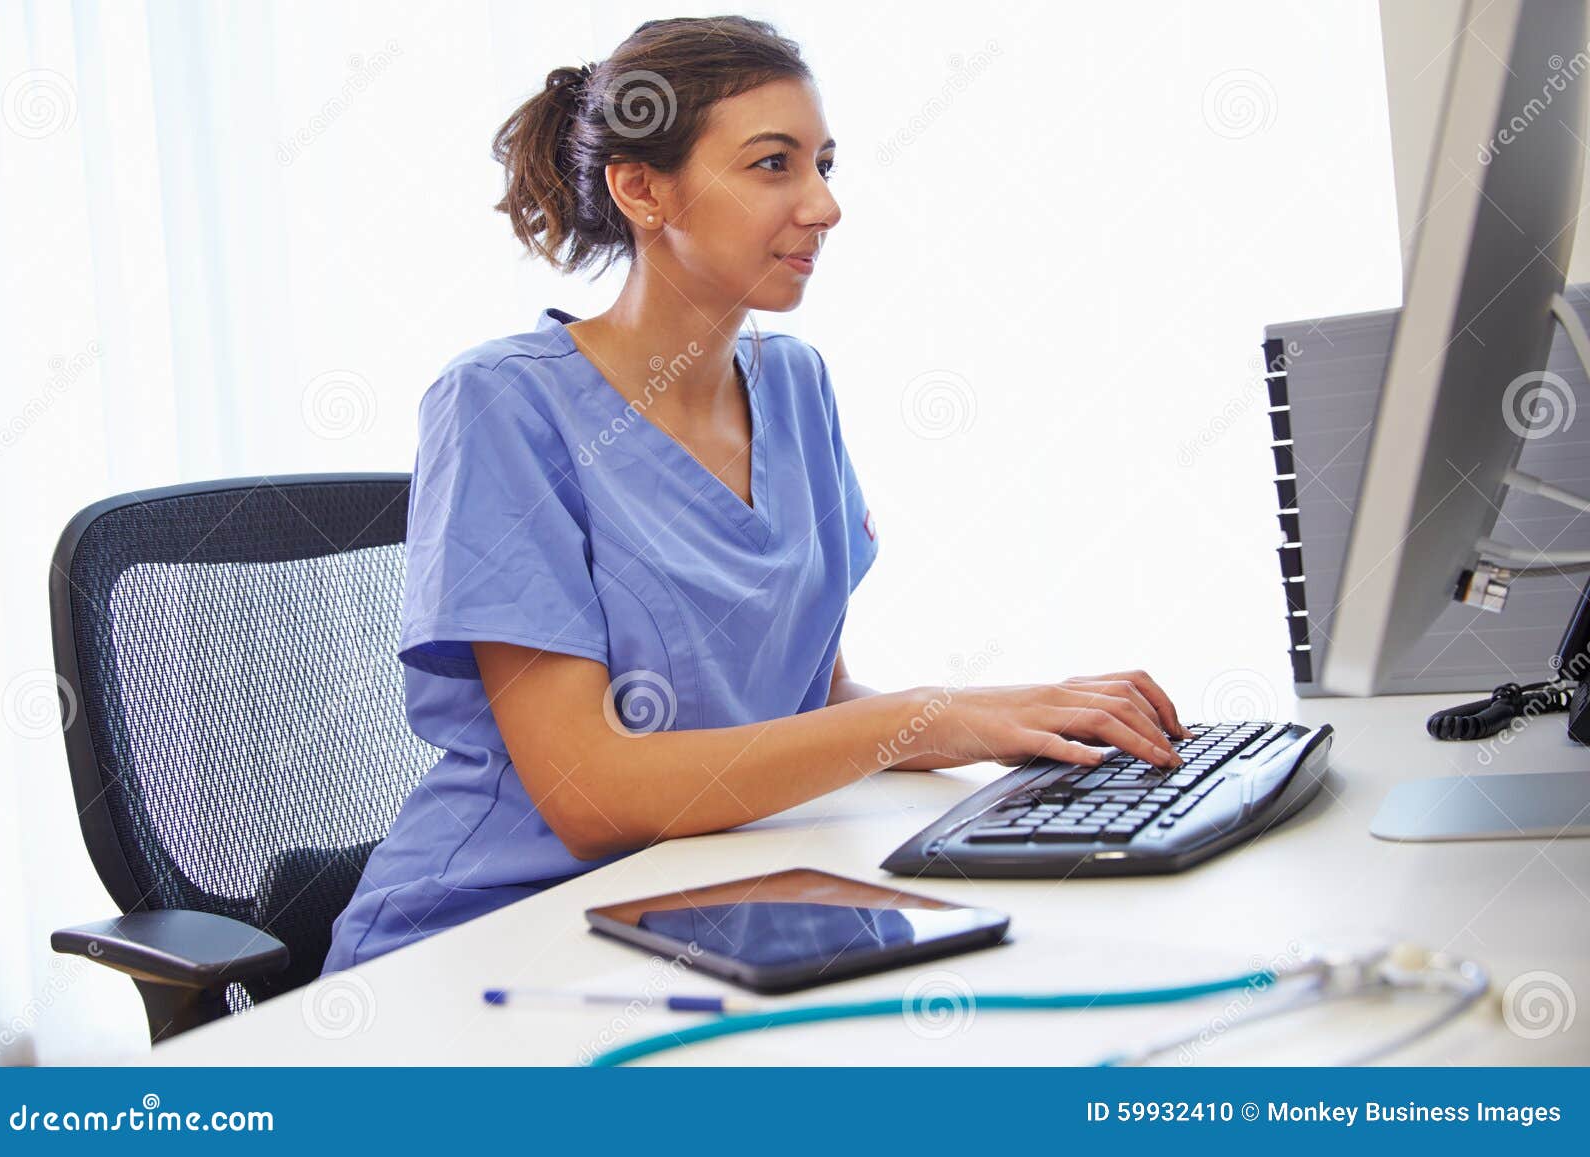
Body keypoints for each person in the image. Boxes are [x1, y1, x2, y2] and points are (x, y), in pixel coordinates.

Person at [321, 14, 1187, 975]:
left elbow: (815, 698)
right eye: (774, 165)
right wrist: (940, 714)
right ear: (643, 189)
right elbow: (590, 791)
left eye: (824, 163)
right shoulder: (502, 403)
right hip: (494, 935)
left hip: (716, 903)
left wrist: (1014, 721)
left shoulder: (796, 384)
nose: (824, 205)